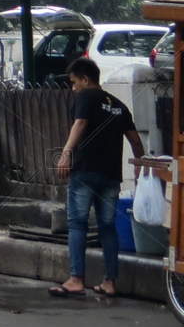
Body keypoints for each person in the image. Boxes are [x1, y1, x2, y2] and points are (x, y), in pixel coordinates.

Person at [50, 57, 145, 297]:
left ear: (85, 79)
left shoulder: (86, 98)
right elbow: (135, 140)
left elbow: (80, 123)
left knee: (77, 224)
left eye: (74, 83)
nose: (73, 89)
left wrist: (65, 154)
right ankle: (109, 282)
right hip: (111, 175)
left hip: (85, 172)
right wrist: (139, 165)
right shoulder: (120, 105)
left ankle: (75, 279)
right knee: (107, 227)